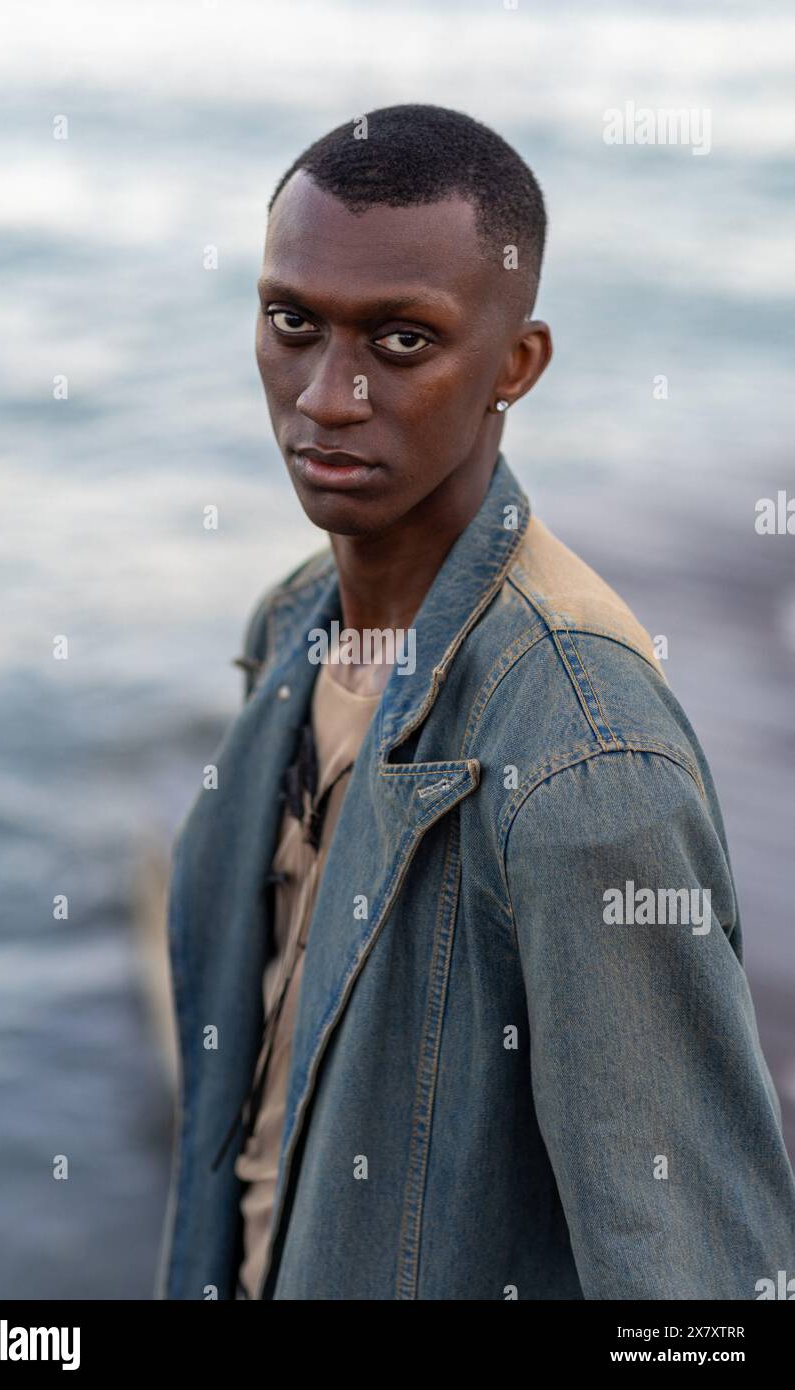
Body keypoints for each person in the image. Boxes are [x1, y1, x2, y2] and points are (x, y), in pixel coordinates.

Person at [156, 104, 795, 1300]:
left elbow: (693, 1285)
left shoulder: (583, 757)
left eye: (401, 341)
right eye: (292, 323)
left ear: (515, 364)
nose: (328, 395)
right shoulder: (291, 625)